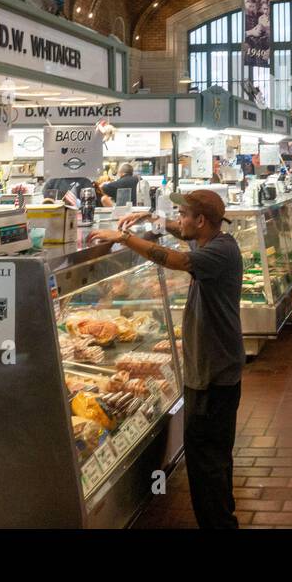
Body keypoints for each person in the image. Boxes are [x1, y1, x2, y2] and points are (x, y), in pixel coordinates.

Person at [88, 190, 244, 528]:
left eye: (184, 214)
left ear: (200, 221)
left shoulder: (213, 253)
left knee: (205, 461)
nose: (180, 219)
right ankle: (223, 515)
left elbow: (175, 261)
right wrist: (152, 218)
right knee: (216, 454)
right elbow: (180, 234)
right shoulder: (214, 241)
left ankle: (218, 524)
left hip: (213, 372)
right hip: (218, 367)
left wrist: (125, 238)